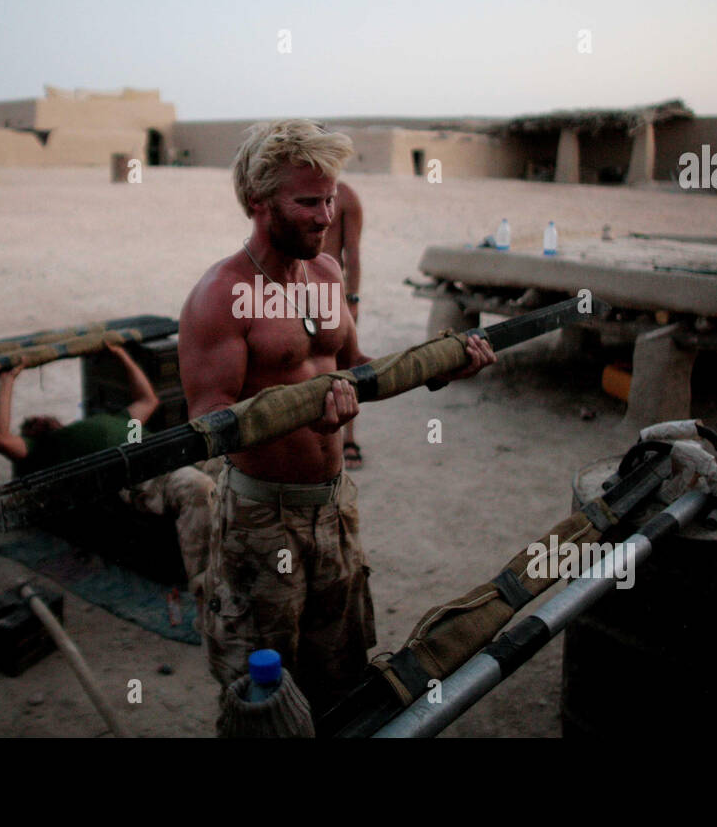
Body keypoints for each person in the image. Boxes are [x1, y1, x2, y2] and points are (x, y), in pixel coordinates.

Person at [179, 119, 496, 726]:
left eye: (330, 199)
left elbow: (356, 368)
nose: (326, 216)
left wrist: (440, 367)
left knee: (342, 672)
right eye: (307, 202)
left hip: (336, 508)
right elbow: (209, 424)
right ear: (258, 201)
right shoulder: (220, 296)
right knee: (265, 691)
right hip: (261, 520)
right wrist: (304, 416)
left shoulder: (326, 277)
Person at [0, 342, 218, 593]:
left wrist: (121, 355)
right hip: (142, 474)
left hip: (170, 453)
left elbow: (147, 400)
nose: (36, 419)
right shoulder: (46, 447)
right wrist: (7, 380)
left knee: (235, 465)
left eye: (37, 416)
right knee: (200, 487)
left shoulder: (110, 421)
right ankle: (205, 583)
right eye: (29, 424)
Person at [320, 179, 364, 469]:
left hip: (332, 290)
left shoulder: (346, 197)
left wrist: (352, 299)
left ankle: (348, 437)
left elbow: (352, 252)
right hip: (297, 287)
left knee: (344, 364)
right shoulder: (292, 191)